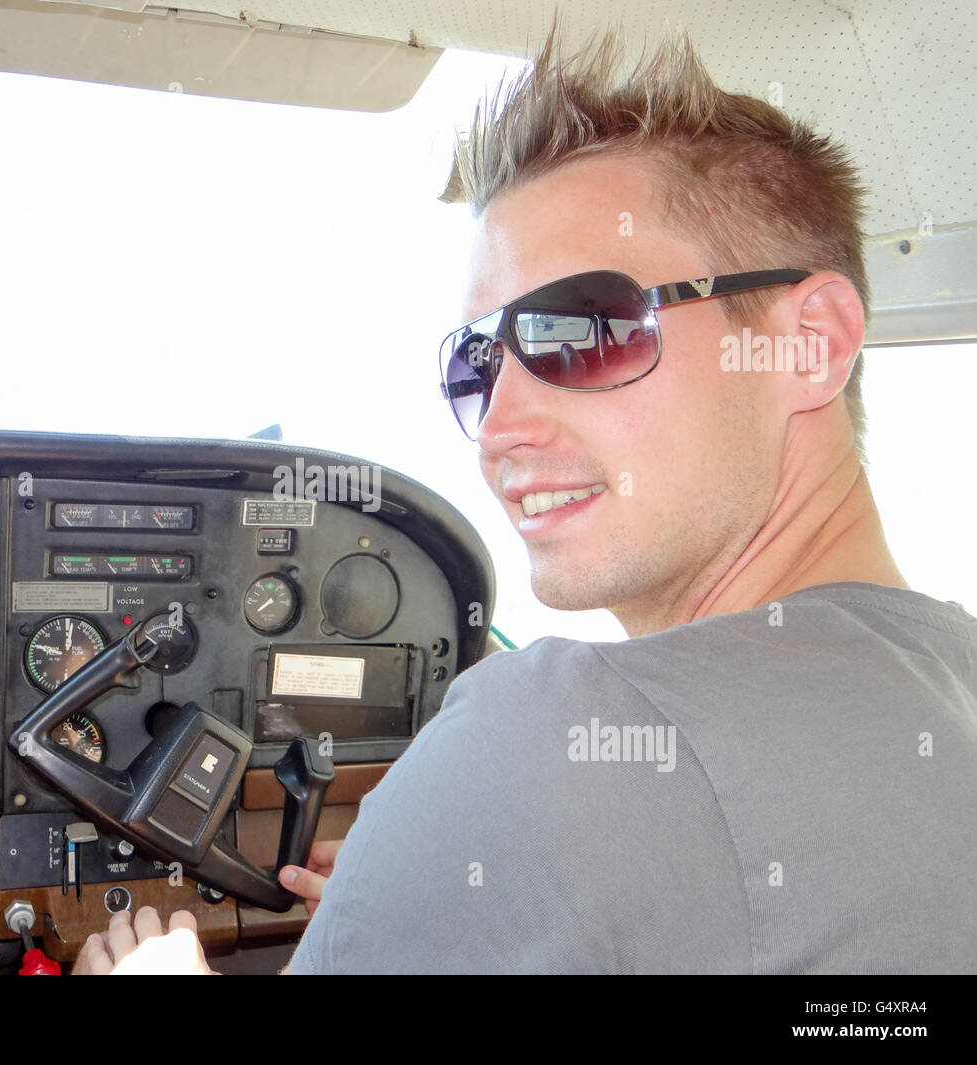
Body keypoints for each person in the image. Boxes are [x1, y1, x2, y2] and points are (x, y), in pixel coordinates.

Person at [73, 29, 977, 975]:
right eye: (476, 363)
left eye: (581, 331)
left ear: (810, 343)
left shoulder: (547, 740)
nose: (500, 424)